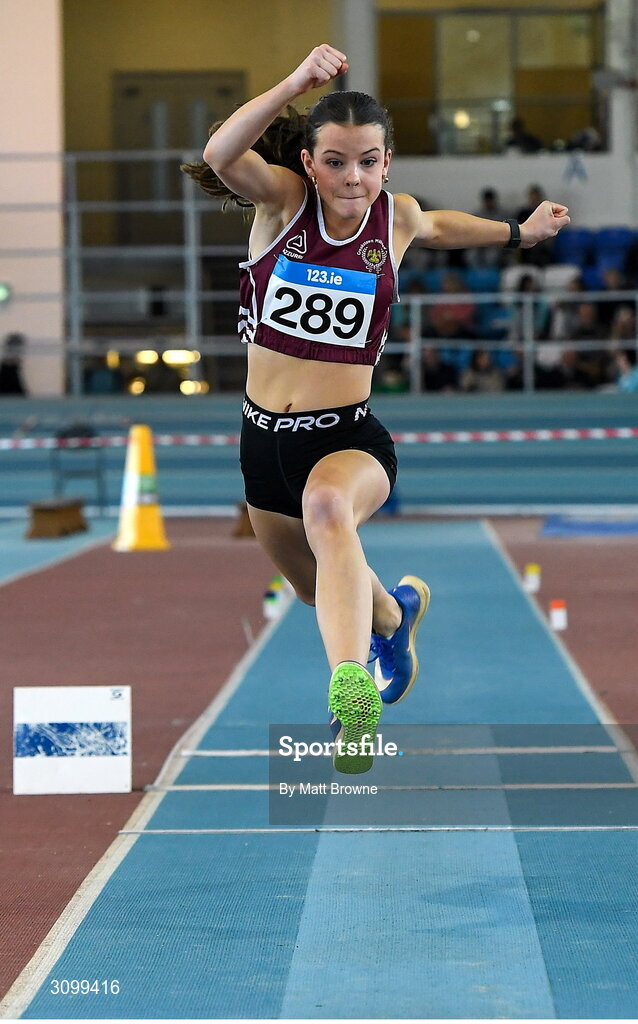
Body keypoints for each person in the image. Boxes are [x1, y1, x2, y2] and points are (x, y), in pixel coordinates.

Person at [181, 44, 570, 774]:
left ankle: (349, 687)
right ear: (309, 163)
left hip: (347, 439)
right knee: (312, 587)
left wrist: (522, 232)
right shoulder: (281, 205)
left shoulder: (396, 219)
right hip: (261, 442)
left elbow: (442, 226)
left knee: (329, 510)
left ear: (386, 163)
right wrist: (294, 81)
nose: (352, 178)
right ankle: (395, 615)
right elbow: (220, 152)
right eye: (335, 162)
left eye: (367, 162)